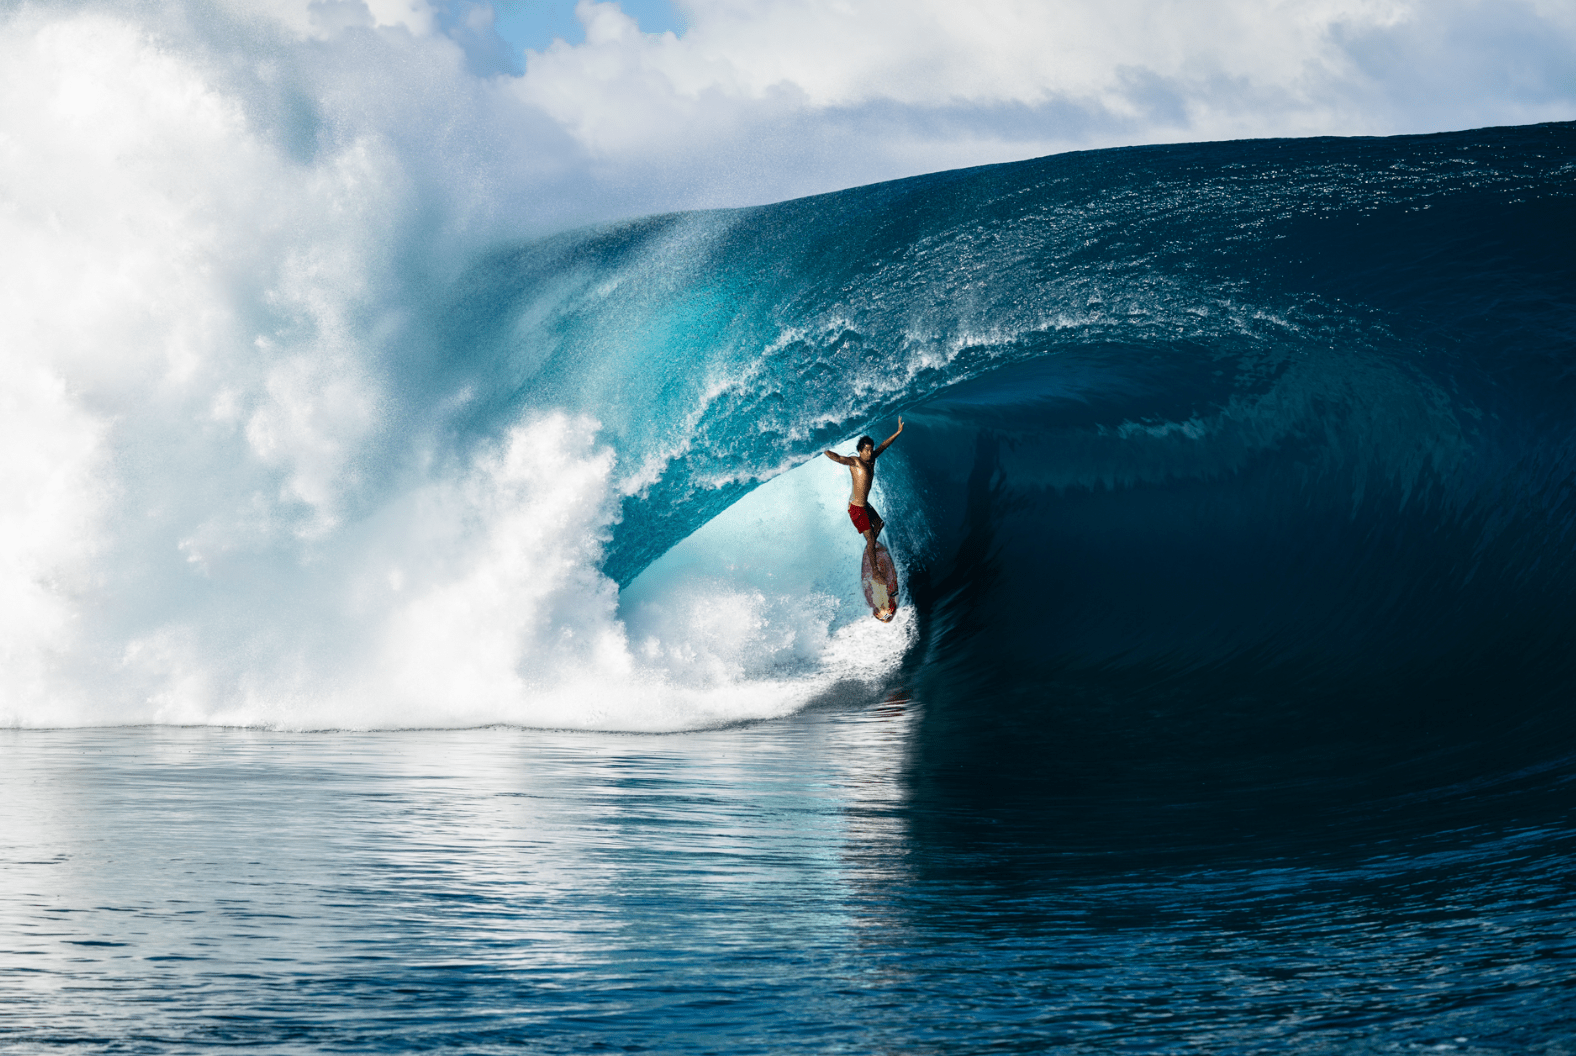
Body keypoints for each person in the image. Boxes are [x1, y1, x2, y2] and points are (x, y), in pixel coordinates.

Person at [825, 418, 903, 618]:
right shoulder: (856, 462)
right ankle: (876, 572)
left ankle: (872, 549)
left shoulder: (872, 459)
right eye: (866, 450)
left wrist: (898, 432)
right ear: (860, 450)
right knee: (870, 539)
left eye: (871, 449)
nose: (869, 452)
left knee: (879, 524)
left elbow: (884, 446)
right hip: (857, 509)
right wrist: (822, 448)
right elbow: (839, 458)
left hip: (865, 505)